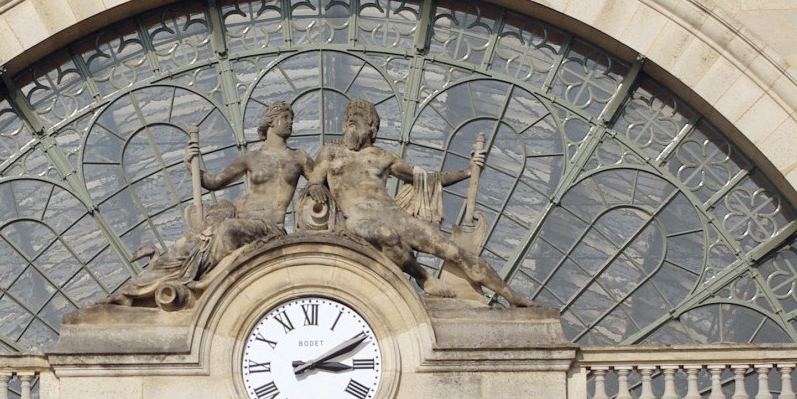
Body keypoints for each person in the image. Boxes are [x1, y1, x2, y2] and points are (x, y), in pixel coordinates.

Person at [309, 98, 534, 306]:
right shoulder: (331, 153)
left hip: (393, 215)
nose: (352, 123)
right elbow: (314, 182)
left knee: (451, 250)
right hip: (357, 219)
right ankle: (424, 278)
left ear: (372, 128)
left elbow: (427, 178)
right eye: (349, 119)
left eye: (359, 118)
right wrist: (316, 188)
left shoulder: (382, 157)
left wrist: (468, 171)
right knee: (385, 234)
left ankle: (511, 295)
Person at [108, 101, 317, 307]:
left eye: (292, 119)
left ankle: (190, 277)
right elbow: (214, 182)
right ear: (271, 122)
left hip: (269, 226)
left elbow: (320, 181)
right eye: (286, 117)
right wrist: (192, 166)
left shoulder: (299, 157)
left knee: (226, 230)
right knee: (186, 248)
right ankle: (131, 291)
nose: (291, 122)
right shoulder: (251, 158)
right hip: (237, 213)